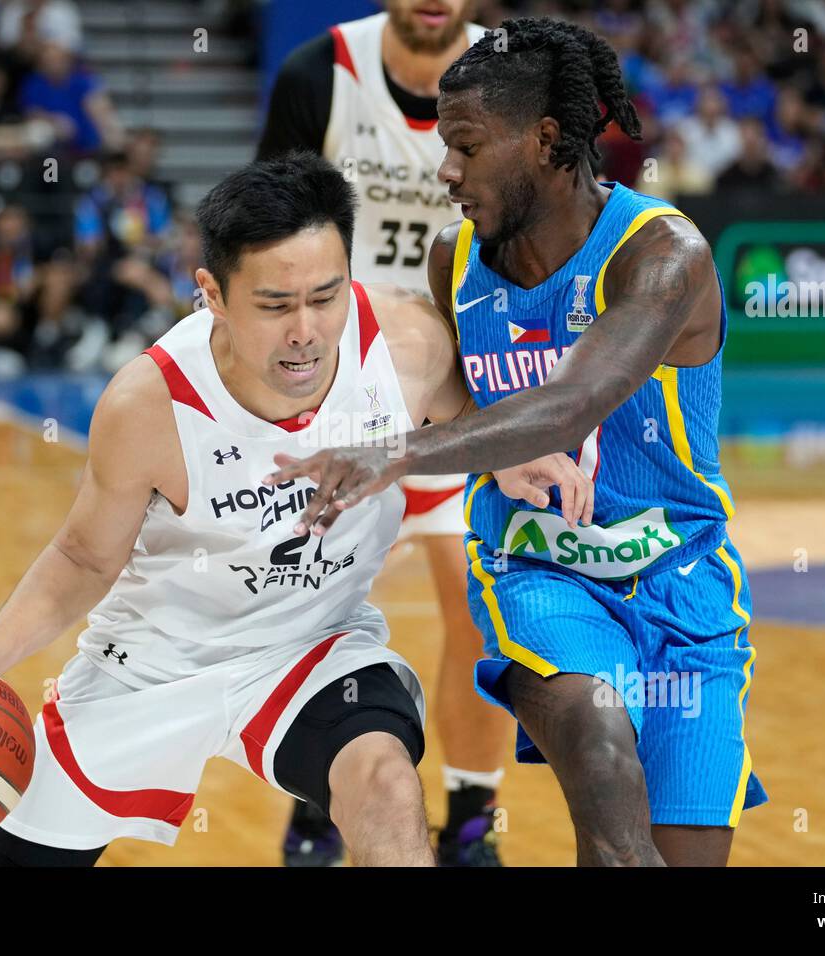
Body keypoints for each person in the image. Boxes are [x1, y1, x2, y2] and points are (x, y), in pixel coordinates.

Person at [0, 152, 592, 867]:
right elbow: (85, 557)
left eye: (325, 296)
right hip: (151, 664)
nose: (305, 329)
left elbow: (465, 419)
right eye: (274, 305)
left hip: (314, 649)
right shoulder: (149, 402)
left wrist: (507, 449)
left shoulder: (405, 343)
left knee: (387, 788)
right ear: (211, 293)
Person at [266, 18, 768, 867]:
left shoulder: (662, 254)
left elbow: (570, 405)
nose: (446, 170)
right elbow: (441, 384)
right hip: (538, 571)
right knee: (598, 737)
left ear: (544, 141)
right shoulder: (449, 262)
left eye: (464, 146)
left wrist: (389, 456)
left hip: (684, 588)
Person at [257, 0, 510, 867]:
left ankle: (472, 817)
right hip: (338, 385)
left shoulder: (511, 72)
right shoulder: (317, 75)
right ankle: (321, 798)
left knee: (479, 607)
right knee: (310, 606)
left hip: (466, 377)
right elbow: (267, 232)